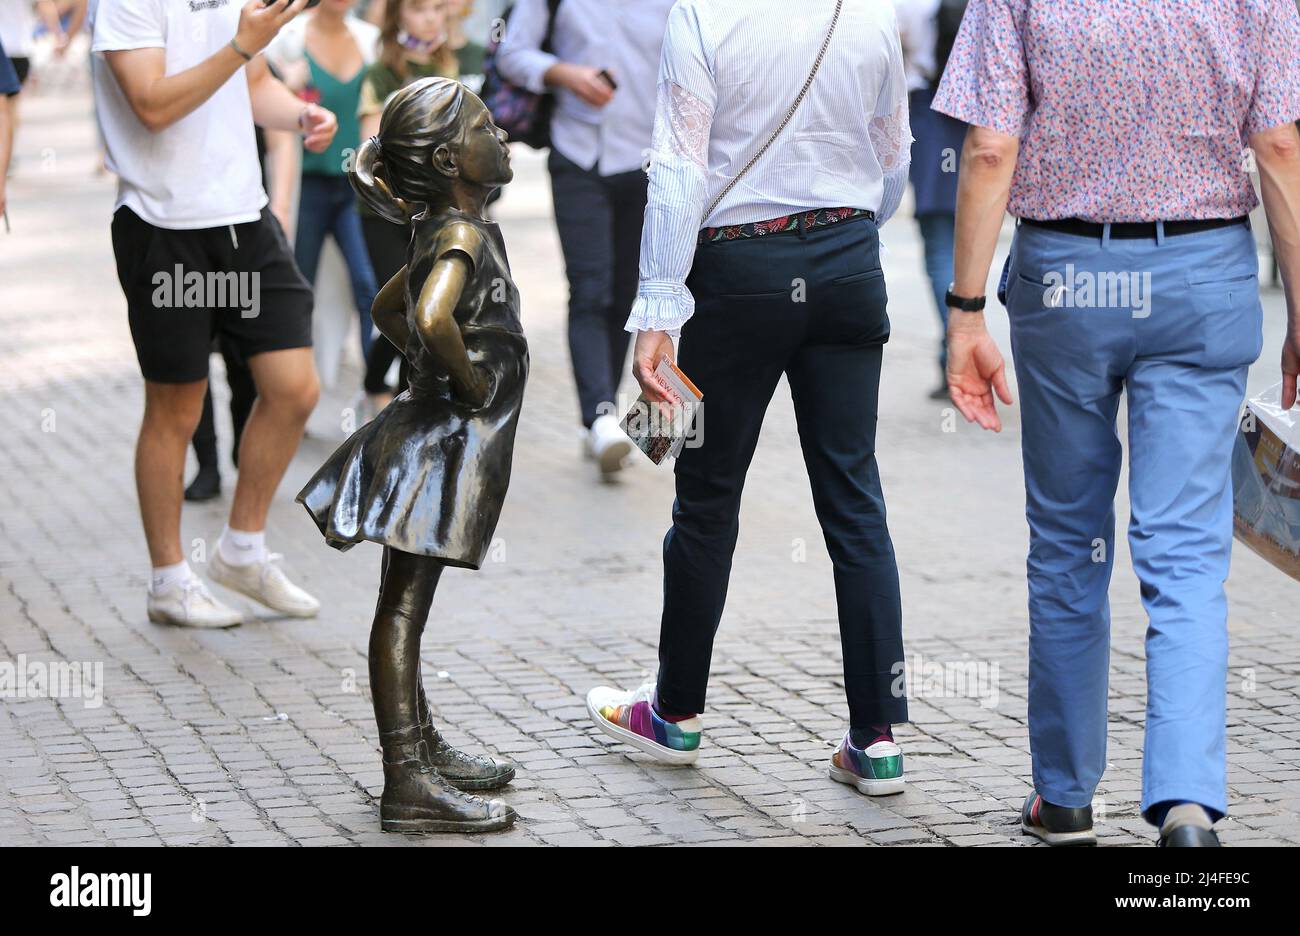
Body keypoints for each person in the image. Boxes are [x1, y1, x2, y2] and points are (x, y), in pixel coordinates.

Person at [934, 0, 1300, 846]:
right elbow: (1279, 145)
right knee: (1185, 550)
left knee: (1067, 540)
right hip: (1202, 274)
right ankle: (1186, 806)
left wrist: (963, 313)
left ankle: (1063, 797)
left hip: (1068, 279)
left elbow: (990, 148)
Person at [585, 0, 913, 797]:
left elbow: (679, 163)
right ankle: (877, 740)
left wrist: (657, 307)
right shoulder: (869, 9)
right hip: (847, 263)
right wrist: (844, 226)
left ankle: (675, 712)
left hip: (739, 273)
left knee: (706, 500)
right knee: (855, 500)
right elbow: (894, 152)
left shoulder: (703, 12)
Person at [298, 78, 523, 832]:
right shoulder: (459, 235)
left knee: (401, 602)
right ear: (448, 159)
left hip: (424, 429)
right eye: (488, 128)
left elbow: (387, 309)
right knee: (402, 607)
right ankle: (407, 779)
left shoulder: (438, 229)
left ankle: (421, 751)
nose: (503, 138)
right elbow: (426, 314)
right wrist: (467, 382)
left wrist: (425, 368)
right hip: (436, 441)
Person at [90, 0, 338, 628]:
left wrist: (300, 113)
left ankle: (242, 551)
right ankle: (170, 581)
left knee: (294, 388)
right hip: (165, 225)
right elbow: (150, 105)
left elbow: (251, 81)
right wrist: (238, 45)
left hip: (244, 218)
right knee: (177, 406)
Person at [497, 0, 677, 478]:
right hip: (578, 155)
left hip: (650, 160)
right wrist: (563, 72)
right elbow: (511, 53)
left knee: (627, 295)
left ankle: (608, 410)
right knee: (590, 287)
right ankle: (598, 417)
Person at [357, 0, 457, 414]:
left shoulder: (450, 70)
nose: (431, 17)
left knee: (425, 311)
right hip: (387, 213)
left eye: (437, 8)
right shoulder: (381, 73)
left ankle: (401, 399)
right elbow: (370, 144)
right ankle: (379, 388)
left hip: (435, 215)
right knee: (401, 306)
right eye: (419, 9)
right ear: (399, 16)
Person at [268, 0, 380, 365]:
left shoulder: (370, 40)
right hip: (307, 185)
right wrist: (286, 83)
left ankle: (377, 394)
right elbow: (265, 110)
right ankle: (294, 392)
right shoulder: (285, 37)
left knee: (371, 286)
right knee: (298, 288)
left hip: (356, 187)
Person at [893, 0, 967, 399]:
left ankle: (955, 358)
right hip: (976, 124)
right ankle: (962, 351)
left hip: (931, 119)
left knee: (940, 250)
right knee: (971, 253)